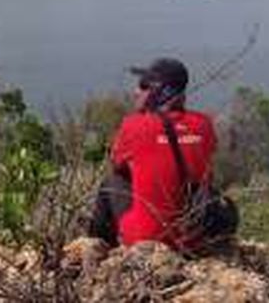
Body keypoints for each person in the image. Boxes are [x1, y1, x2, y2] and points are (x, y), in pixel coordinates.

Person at [89, 58, 219, 250]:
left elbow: (117, 164)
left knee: (112, 182)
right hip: (195, 238)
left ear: (161, 91)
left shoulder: (134, 125)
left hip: (146, 239)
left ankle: (101, 248)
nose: (136, 92)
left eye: (144, 86)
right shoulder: (204, 124)